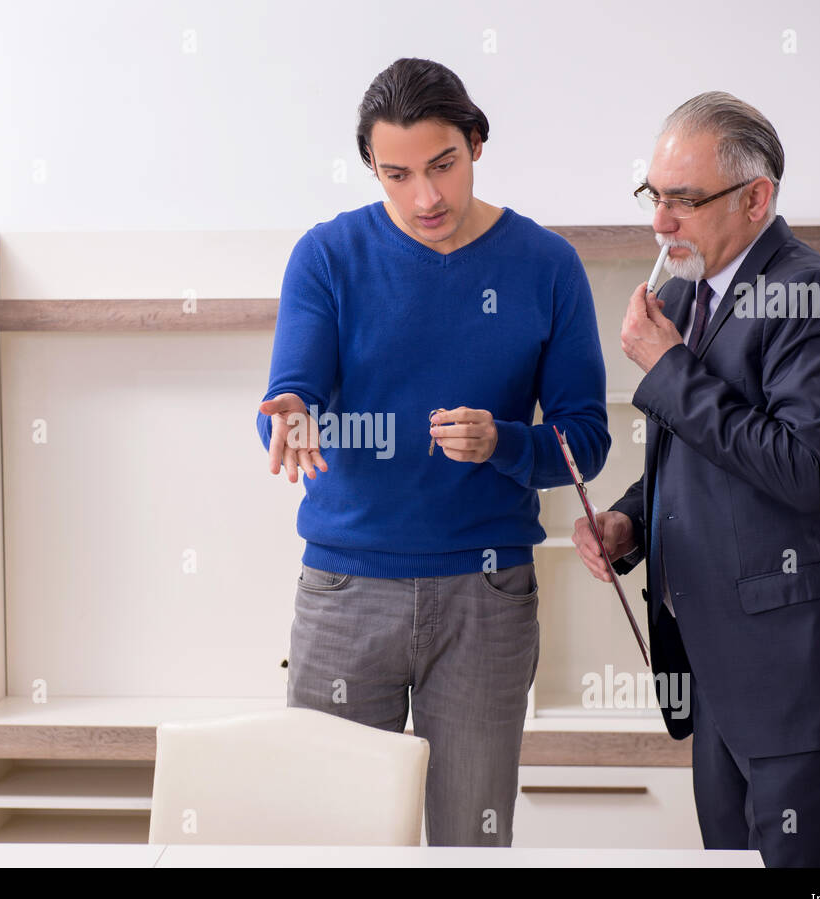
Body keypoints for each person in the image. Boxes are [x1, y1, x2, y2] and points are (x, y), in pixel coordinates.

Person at [256, 57, 610, 846]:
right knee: (334, 841)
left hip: (486, 597)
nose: (425, 197)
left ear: (477, 143)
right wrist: (286, 417)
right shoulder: (328, 256)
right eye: (398, 174)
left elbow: (585, 442)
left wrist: (504, 442)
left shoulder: (546, 265)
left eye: (443, 165)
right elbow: (291, 398)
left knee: (472, 844)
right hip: (346, 592)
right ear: (372, 170)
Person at [573, 91, 820, 866]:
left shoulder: (818, 299)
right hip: (716, 675)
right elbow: (695, 462)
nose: (661, 222)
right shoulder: (679, 295)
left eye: (684, 201)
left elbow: (802, 468)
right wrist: (629, 521)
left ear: (757, 198)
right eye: (654, 196)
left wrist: (669, 371)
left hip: (804, 682)